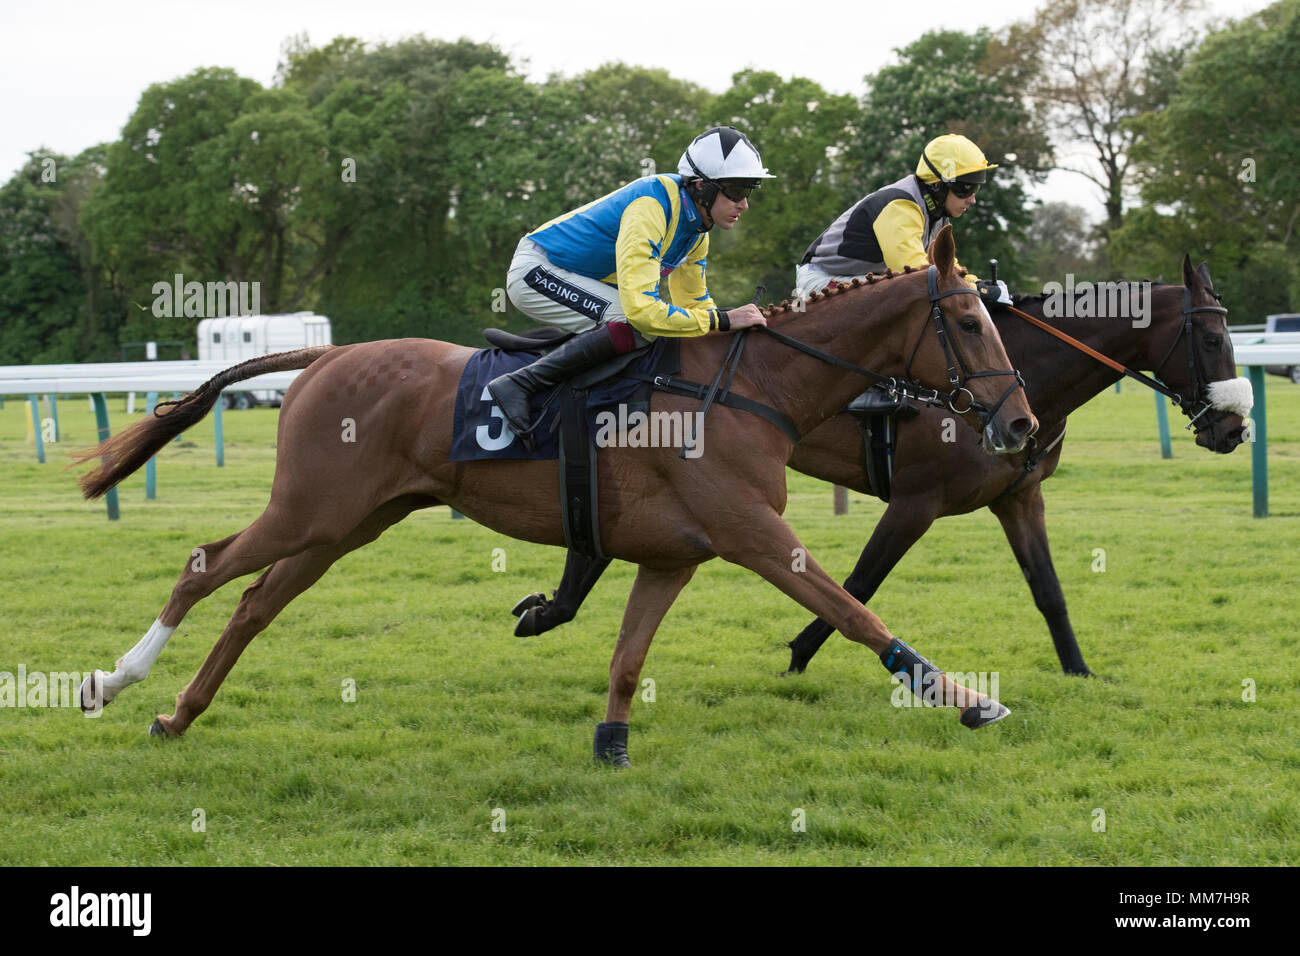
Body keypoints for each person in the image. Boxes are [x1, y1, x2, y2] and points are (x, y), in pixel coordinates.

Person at [487, 126, 774, 439]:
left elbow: (693, 304)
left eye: (750, 191)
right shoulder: (652, 208)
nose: (744, 204)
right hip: (536, 271)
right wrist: (722, 319)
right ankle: (519, 383)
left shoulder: (697, 232)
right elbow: (642, 312)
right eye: (737, 191)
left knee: (661, 326)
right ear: (702, 187)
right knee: (635, 323)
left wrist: (727, 328)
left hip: (578, 278)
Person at [793, 133, 1008, 306]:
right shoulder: (900, 205)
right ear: (937, 185)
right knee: (911, 291)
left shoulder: (938, 213)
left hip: (857, 278)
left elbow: (945, 267)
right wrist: (976, 291)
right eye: (966, 188)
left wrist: (976, 283)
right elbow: (917, 272)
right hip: (821, 279)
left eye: (976, 187)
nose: (972, 199)